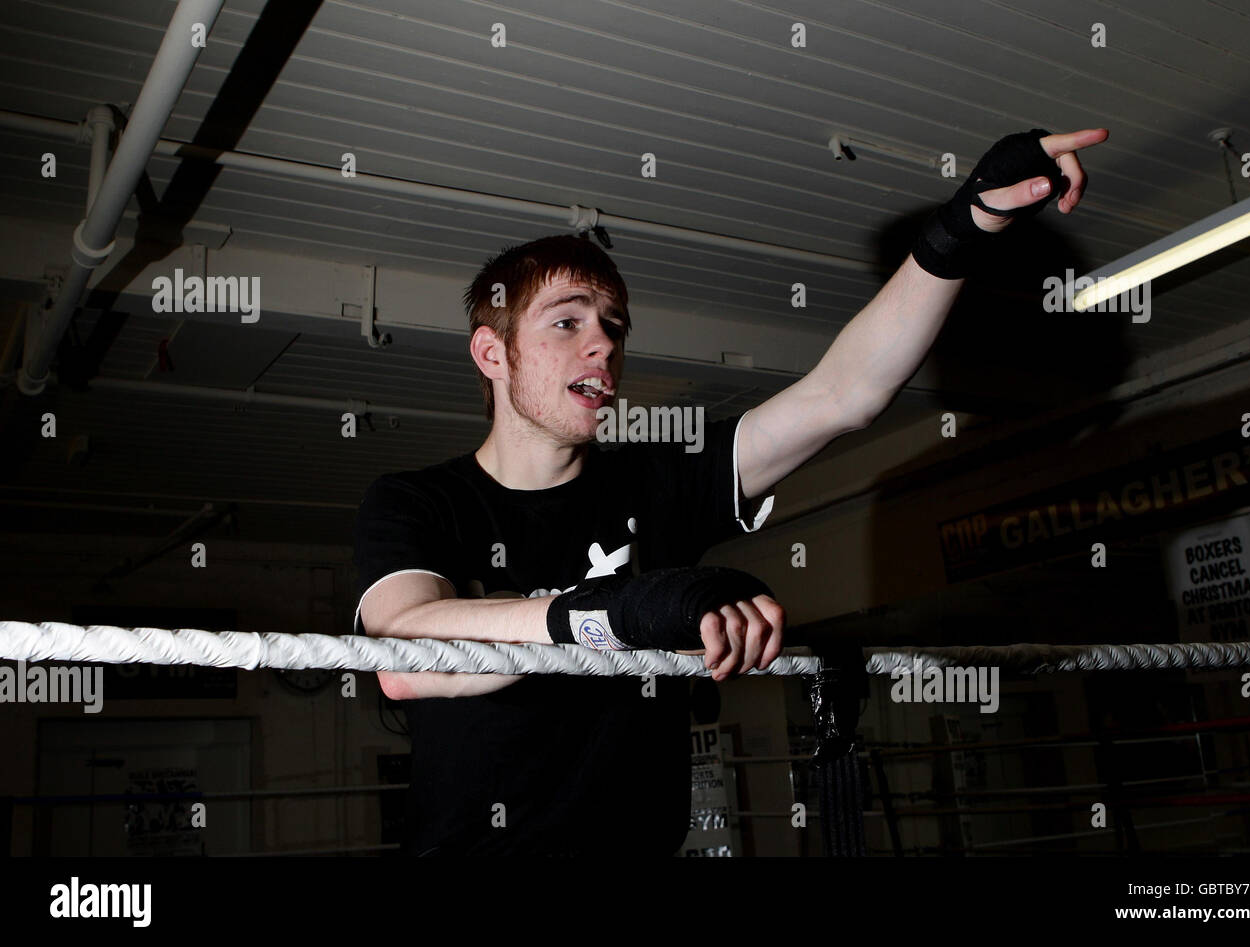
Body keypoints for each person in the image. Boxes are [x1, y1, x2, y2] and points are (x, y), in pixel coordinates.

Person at [353, 127, 1108, 856]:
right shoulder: (420, 502)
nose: (604, 343)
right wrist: (611, 612)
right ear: (493, 352)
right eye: (568, 321)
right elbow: (402, 652)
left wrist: (964, 226)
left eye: (613, 325)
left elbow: (845, 394)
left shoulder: (660, 480)